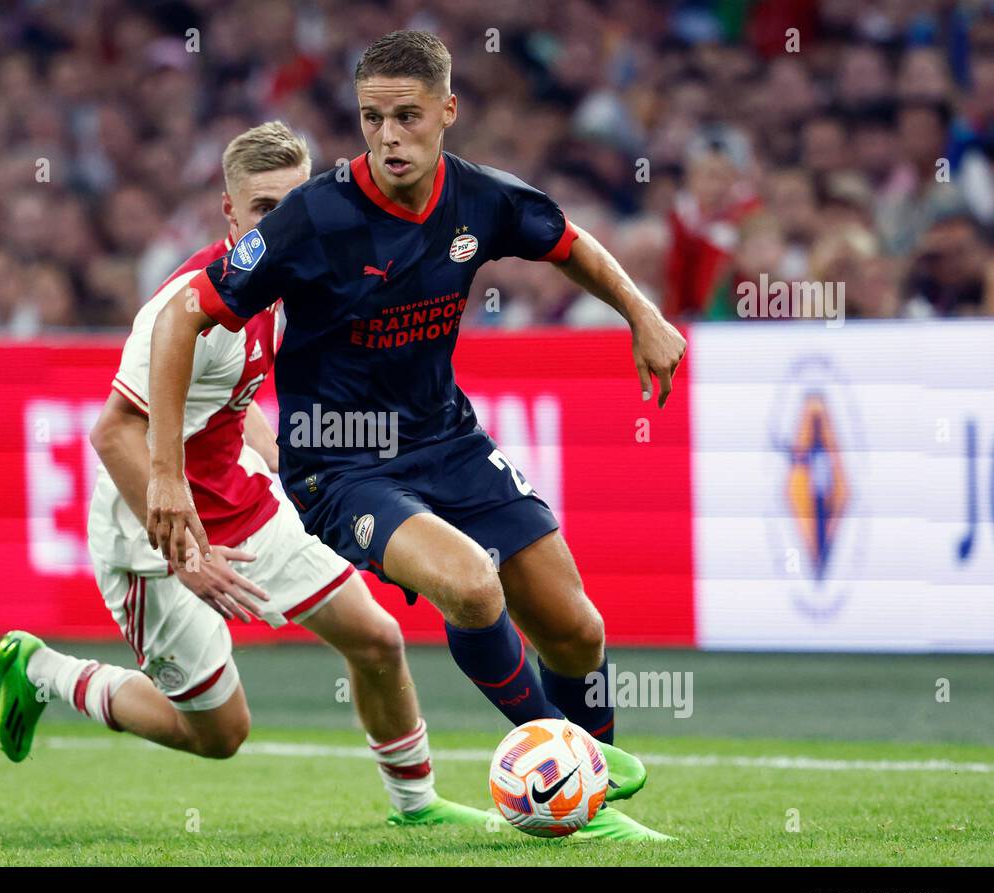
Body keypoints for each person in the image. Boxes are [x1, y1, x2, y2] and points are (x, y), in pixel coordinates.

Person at [145, 32, 684, 841]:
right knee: (470, 585)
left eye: (406, 116)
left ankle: (590, 792)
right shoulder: (314, 217)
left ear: (447, 112)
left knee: (577, 629)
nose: (389, 136)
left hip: (448, 441)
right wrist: (164, 472)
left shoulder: (483, 199)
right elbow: (185, 315)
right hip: (340, 463)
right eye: (371, 119)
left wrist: (642, 314)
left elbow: (568, 242)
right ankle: (575, 771)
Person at [0, 121, 488, 827]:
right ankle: (42, 673)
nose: (282, 223)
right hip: (150, 531)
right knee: (220, 735)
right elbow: (113, 432)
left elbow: (234, 397)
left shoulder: (290, 285)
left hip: (244, 500)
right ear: (230, 213)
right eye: (263, 209)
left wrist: (289, 459)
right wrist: (184, 552)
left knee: (376, 639)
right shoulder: (189, 307)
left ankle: (418, 808)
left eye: (295, 203)